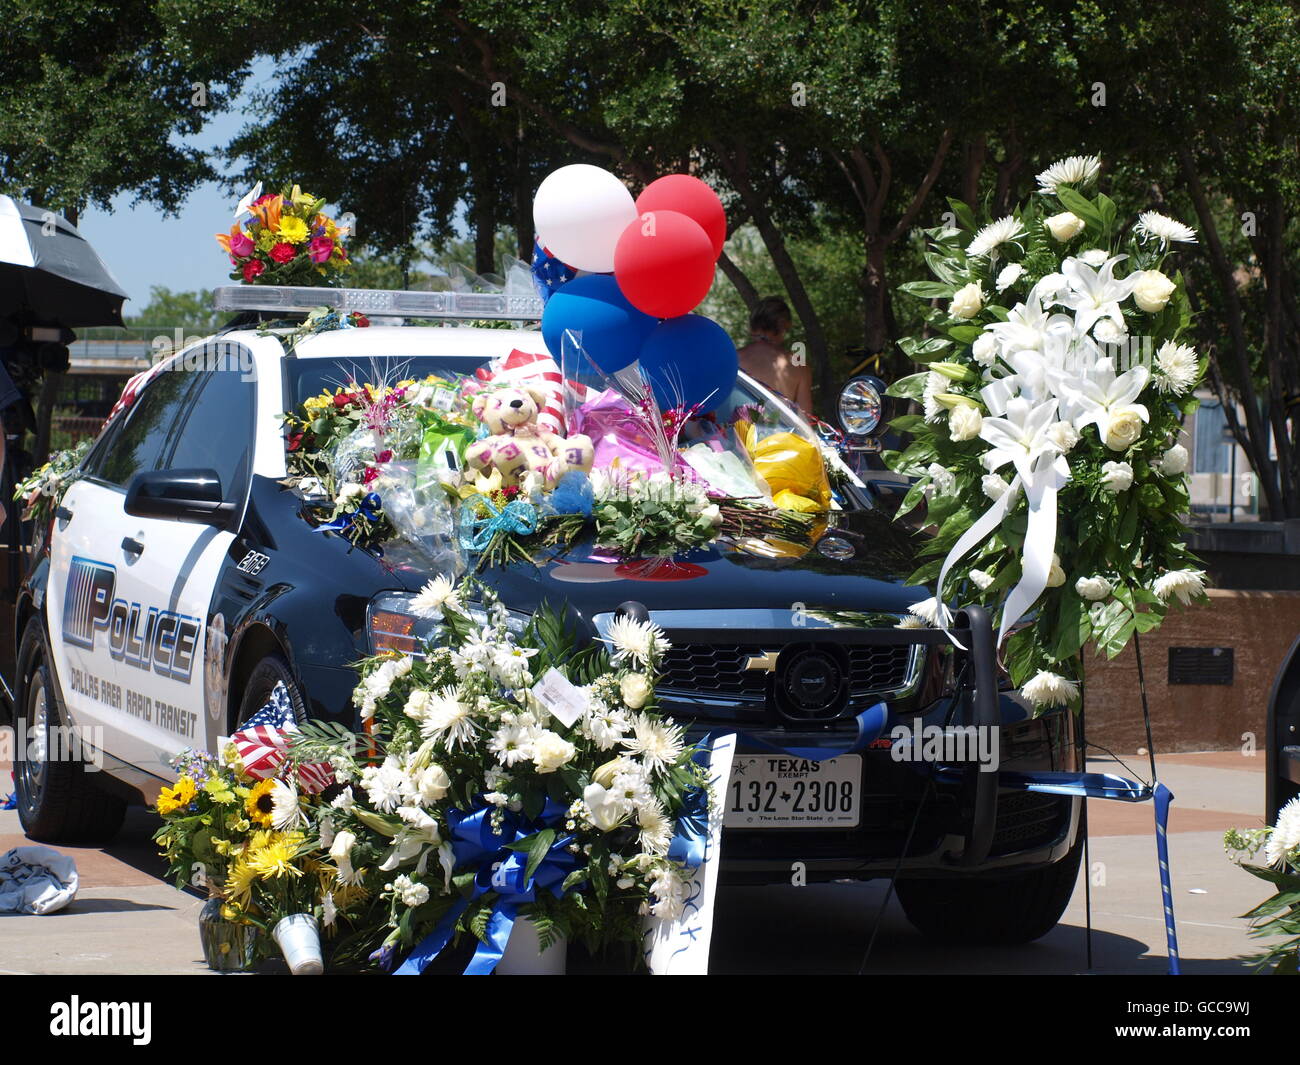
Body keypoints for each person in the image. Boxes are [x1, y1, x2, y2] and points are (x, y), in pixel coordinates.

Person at [737, 297, 812, 416]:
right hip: (779, 434)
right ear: (783, 326)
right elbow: (806, 419)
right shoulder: (799, 366)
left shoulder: (733, 359)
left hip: (735, 432)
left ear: (752, 325)